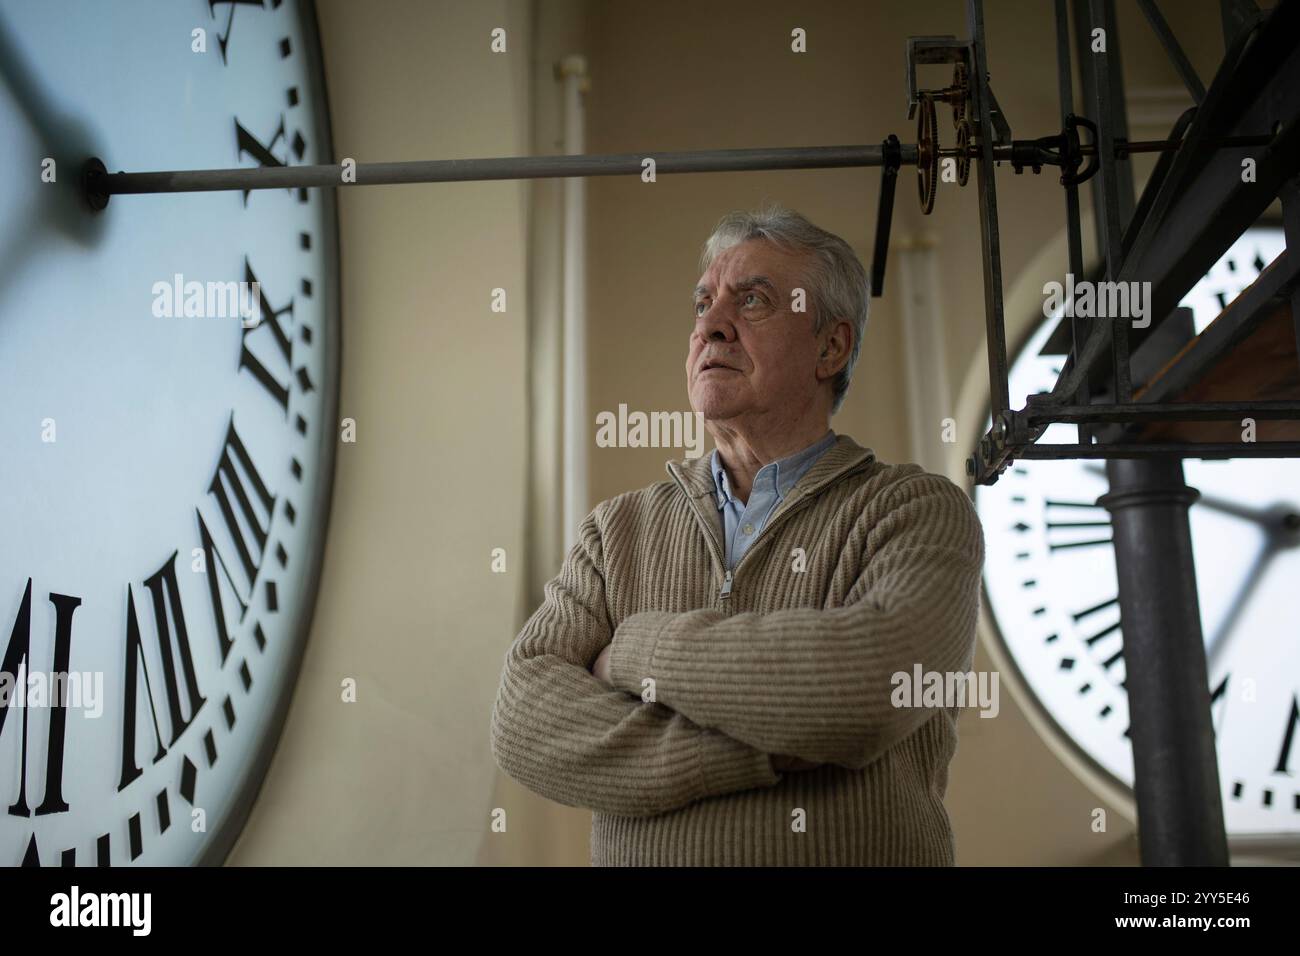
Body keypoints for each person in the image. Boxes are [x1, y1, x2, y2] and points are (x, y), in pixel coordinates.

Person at [490, 204, 985, 865]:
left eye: (752, 301)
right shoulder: (617, 530)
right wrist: (757, 747)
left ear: (830, 347)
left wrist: (639, 649)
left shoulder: (915, 511)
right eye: (703, 305)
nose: (711, 327)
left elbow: (869, 687)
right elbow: (525, 723)